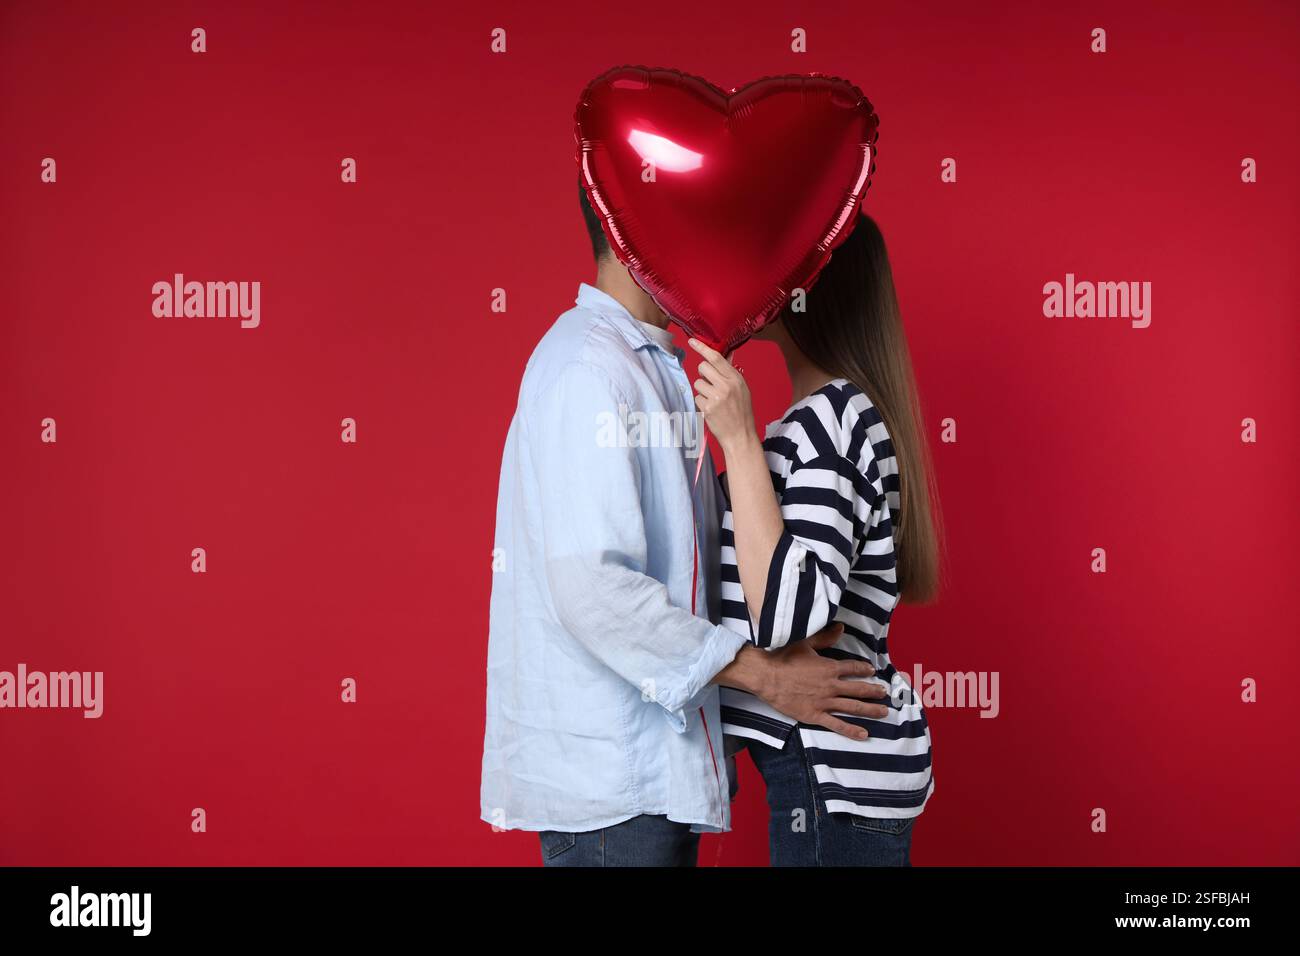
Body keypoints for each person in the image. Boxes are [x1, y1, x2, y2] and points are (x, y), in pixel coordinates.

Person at [478, 187, 892, 867]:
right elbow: (592, 586)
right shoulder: (591, 369)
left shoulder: (654, 367)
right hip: (616, 786)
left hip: (652, 780)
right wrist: (766, 676)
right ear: (630, 232)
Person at [689, 213, 941, 866]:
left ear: (816, 293)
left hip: (831, 775)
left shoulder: (834, 422)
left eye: (791, 268)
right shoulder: (818, 424)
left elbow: (787, 618)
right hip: (827, 777)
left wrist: (738, 439)